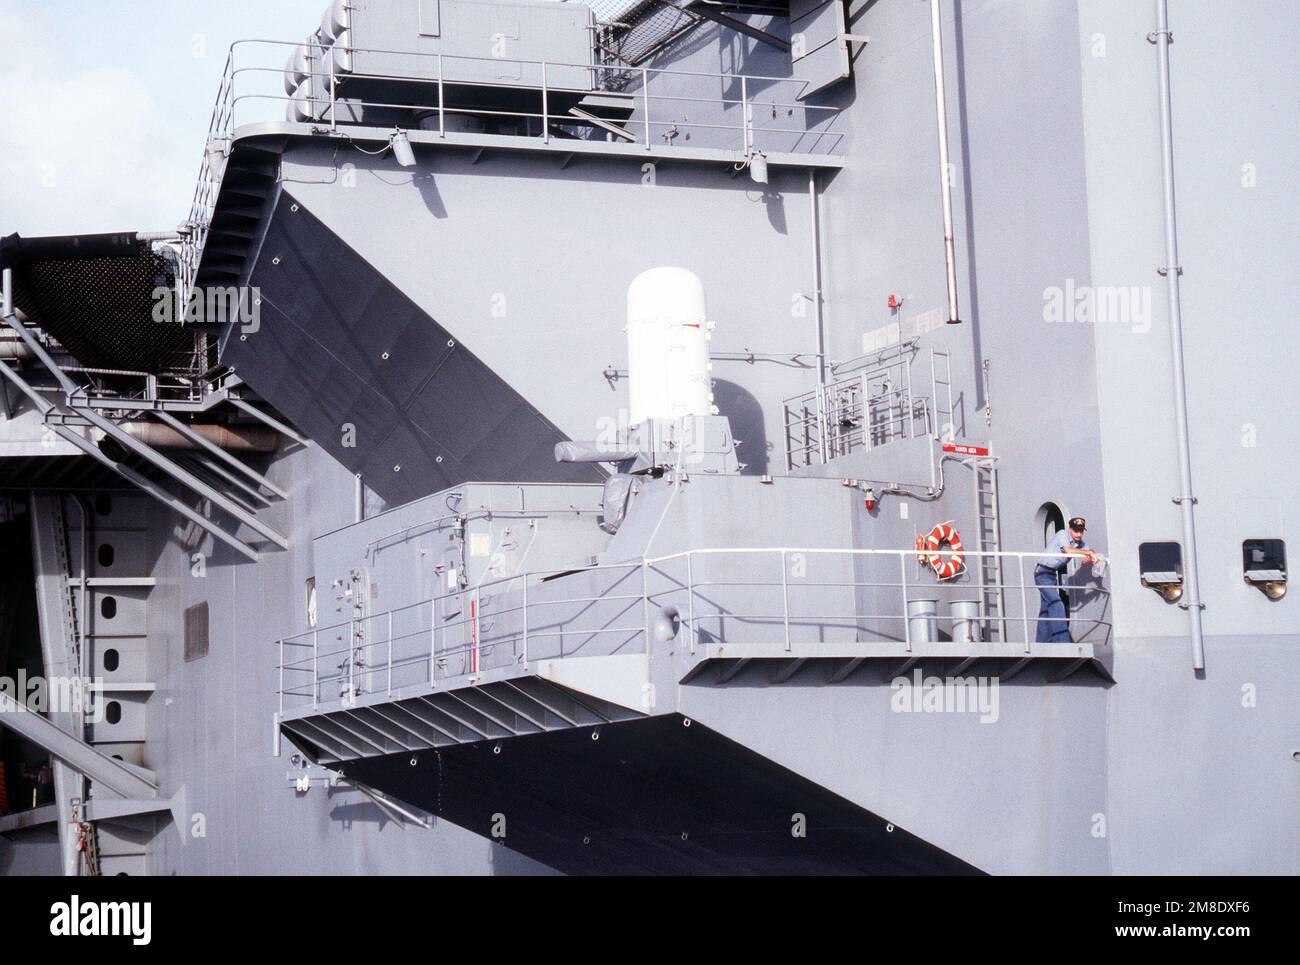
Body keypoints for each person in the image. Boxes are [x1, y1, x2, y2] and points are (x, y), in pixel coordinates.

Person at [1035, 517, 1098, 642]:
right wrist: (1087, 553)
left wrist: (1090, 554)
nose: (1079, 534)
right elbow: (1068, 550)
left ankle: (1041, 642)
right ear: (1070, 529)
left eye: (1081, 531)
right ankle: (1062, 642)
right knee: (1057, 604)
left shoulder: (1079, 543)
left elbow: (1089, 550)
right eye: (1076, 531)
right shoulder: (1062, 534)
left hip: (1052, 575)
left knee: (1046, 610)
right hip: (1042, 573)